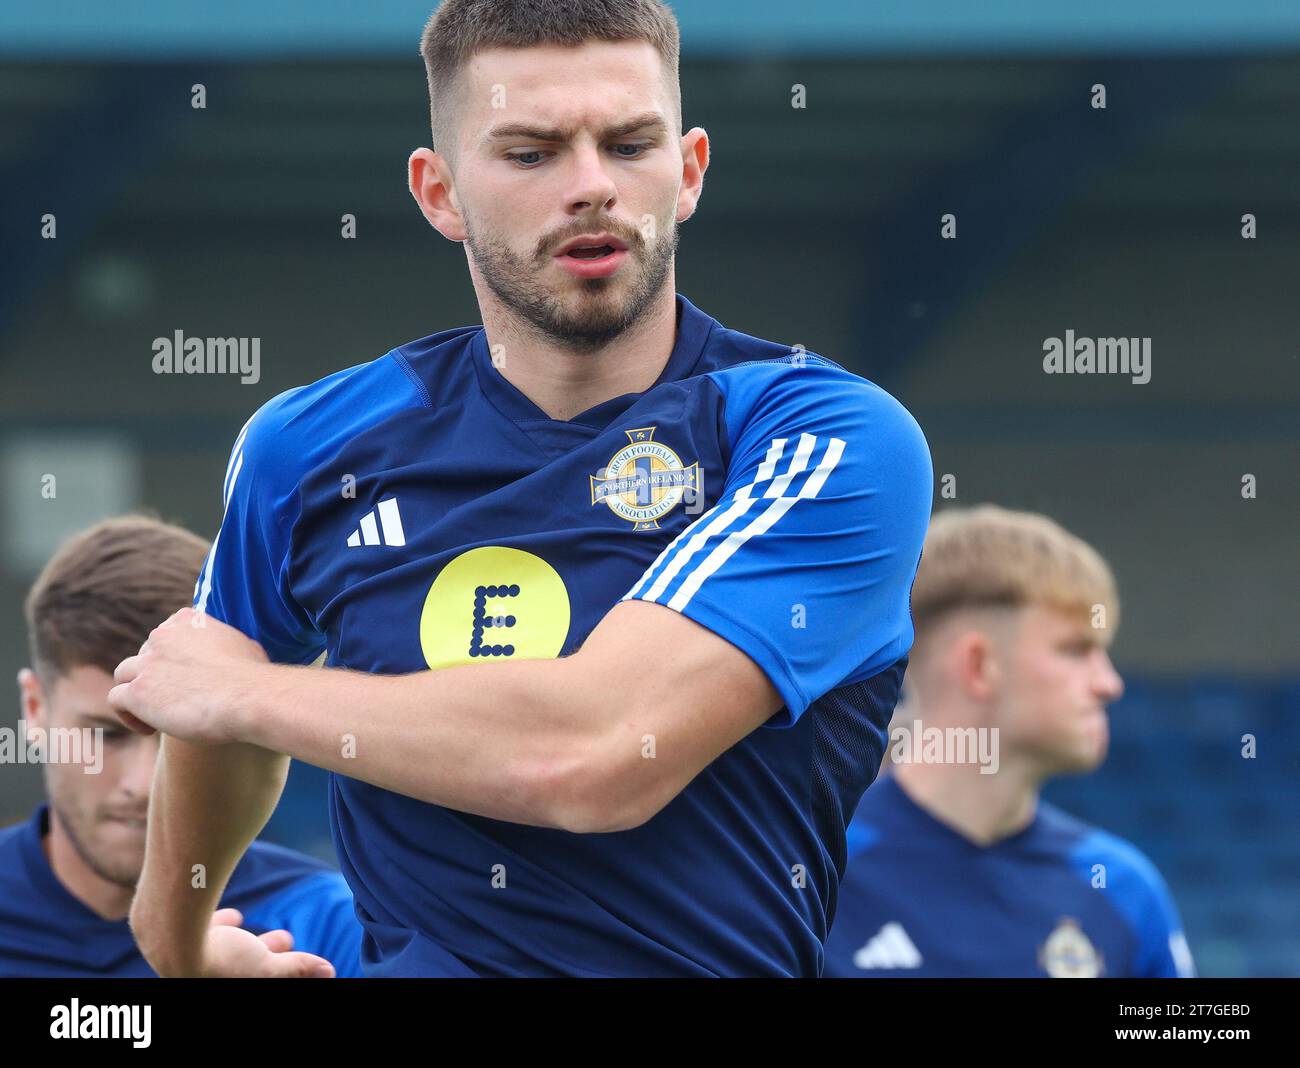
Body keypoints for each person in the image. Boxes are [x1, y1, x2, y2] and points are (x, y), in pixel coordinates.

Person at [109, 0, 932, 977]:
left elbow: (597, 757)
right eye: (531, 153)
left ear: (691, 170)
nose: (591, 187)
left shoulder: (816, 438)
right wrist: (179, 942)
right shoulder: (307, 446)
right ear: (440, 192)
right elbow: (214, 695)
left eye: (629, 143)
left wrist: (249, 695)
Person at [823, 506, 1195, 978]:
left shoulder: (1122, 890)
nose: (1110, 683)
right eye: (1076, 649)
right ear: (979, 665)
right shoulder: (818, 875)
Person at [0, 517, 363, 978]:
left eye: (181, 739)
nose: (142, 785)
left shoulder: (327, 925)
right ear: (35, 710)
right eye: (103, 735)